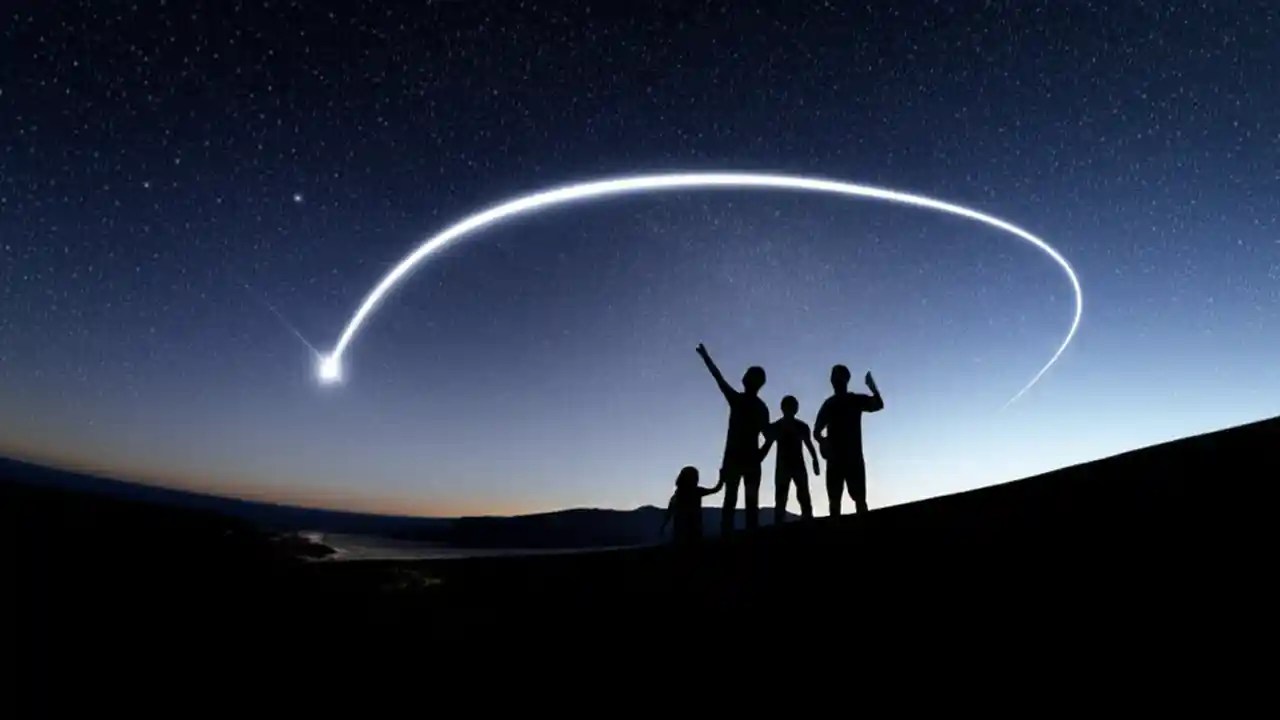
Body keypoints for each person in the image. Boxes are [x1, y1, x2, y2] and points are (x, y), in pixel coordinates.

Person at [695, 343, 769, 535]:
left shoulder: (739, 401)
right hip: (747, 460)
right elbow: (769, 437)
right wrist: (759, 455)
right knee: (747, 502)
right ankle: (746, 537)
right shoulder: (760, 407)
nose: (743, 377)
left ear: (751, 381)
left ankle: (728, 537)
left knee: (732, 500)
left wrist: (705, 357)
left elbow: (718, 378)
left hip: (736, 459)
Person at [814, 365, 884, 516]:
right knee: (839, 501)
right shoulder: (837, 403)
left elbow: (878, 404)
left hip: (850, 458)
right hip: (842, 459)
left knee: (853, 501)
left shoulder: (848, 401)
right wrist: (823, 443)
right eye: (836, 378)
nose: (837, 381)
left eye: (838, 378)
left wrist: (872, 388)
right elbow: (816, 431)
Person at [759, 395, 819, 523]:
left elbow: (809, 445)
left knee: (800, 495)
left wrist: (815, 460)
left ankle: (805, 519)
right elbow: (768, 443)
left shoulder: (797, 426)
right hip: (786, 466)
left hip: (792, 465)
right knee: (784, 496)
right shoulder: (787, 426)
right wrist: (815, 460)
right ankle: (787, 521)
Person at [660, 466, 725, 545]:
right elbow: (716, 489)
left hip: (681, 528)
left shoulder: (678, 494)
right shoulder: (697, 491)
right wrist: (721, 478)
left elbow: (669, 512)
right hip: (693, 527)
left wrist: (663, 526)